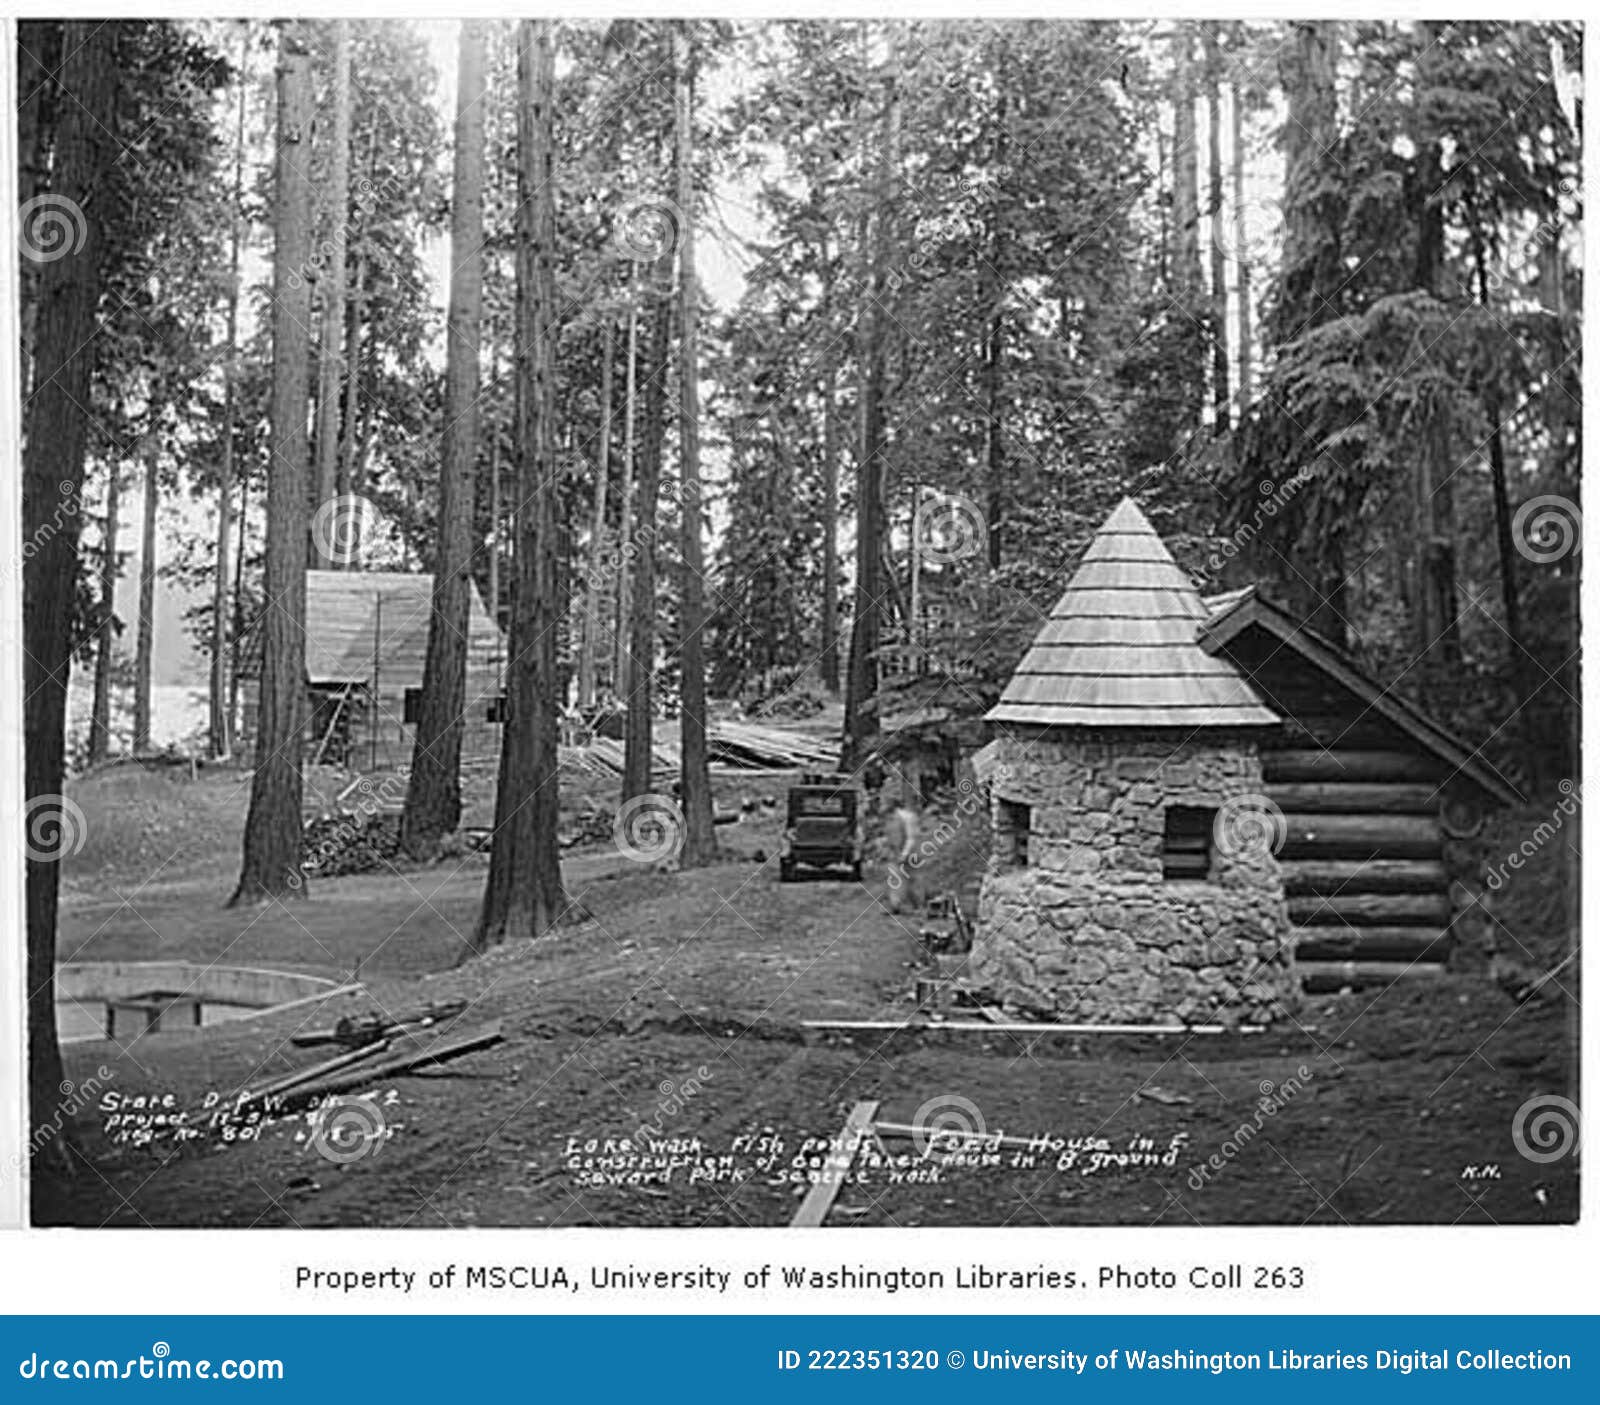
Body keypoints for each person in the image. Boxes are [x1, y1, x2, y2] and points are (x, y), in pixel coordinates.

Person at [883, 787, 922, 914]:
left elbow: (911, 838)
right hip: (895, 852)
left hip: (910, 854)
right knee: (894, 878)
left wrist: (904, 854)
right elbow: (890, 836)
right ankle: (895, 905)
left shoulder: (907, 817)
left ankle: (917, 906)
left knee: (911, 880)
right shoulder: (890, 819)